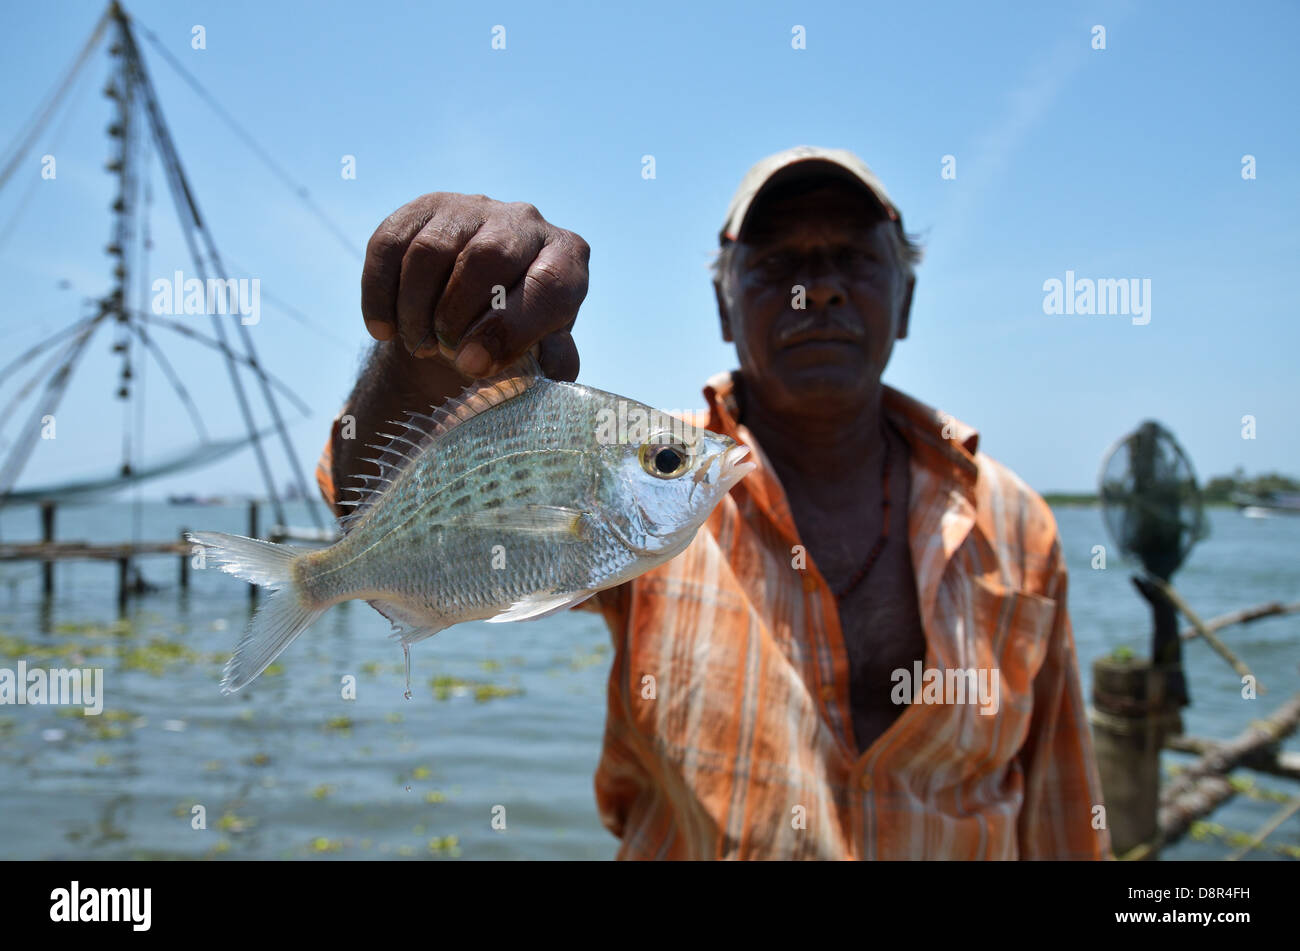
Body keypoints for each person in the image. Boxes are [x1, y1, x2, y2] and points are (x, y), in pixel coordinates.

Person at [316, 146, 1112, 860]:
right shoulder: (648, 460)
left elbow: (1064, 819)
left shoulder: (1017, 523)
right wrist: (426, 346)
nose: (820, 289)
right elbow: (363, 508)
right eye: (776, 262)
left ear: (905, 299)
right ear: (724, 304)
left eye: (853, 257)